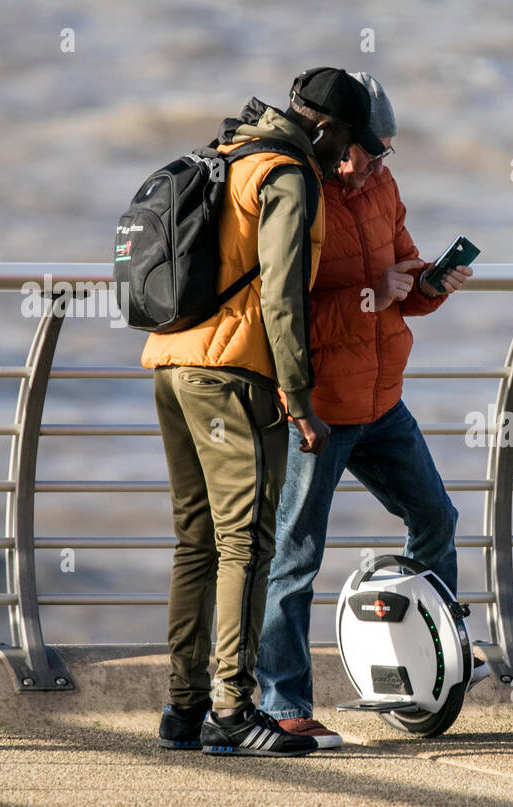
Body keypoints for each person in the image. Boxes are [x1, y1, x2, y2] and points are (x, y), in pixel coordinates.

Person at [145, 68, 386, 757]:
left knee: (197, 542)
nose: (345, 158)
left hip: (174, 365)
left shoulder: (230, 154)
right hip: (230, 378)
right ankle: (233, 709)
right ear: (322, 126)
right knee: (246, 543)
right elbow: (283, 298)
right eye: (343, 140)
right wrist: (302, 400)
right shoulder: (288, 175)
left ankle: (183, 709)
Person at [256, 73, 473, 747]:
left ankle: (431, 661)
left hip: (383, 401)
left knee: (435, 518)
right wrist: (369, 297)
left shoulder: (381, 187)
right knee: (296, 555)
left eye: (380, 153)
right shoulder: (299, 192)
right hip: (318, 409)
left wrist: (430, 284)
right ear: (335, 139)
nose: (368, 164)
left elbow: (400, 275)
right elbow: (282, 318)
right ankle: (283, 700)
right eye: (363, 150)